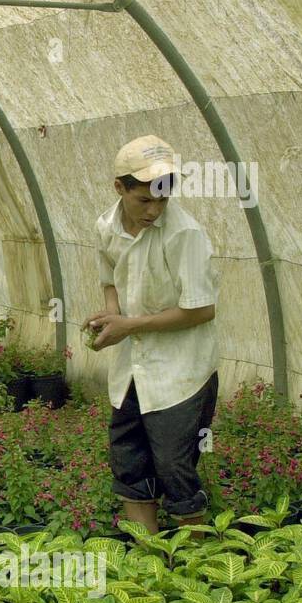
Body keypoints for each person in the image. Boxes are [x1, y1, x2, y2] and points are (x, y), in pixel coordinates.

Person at [84, 135, 220, 534]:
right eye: (144, 199)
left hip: (180, 373)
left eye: (162, 198)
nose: (155, 209)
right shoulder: (106, 227)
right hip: (131, 371)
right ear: (119, 188)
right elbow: (109, 278)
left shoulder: (184, 235)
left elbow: (201, 308)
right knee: (130, 461)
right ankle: (150, 561)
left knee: (175, 468)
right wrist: (112, 317)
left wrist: (131, 325)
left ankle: (194, 565)